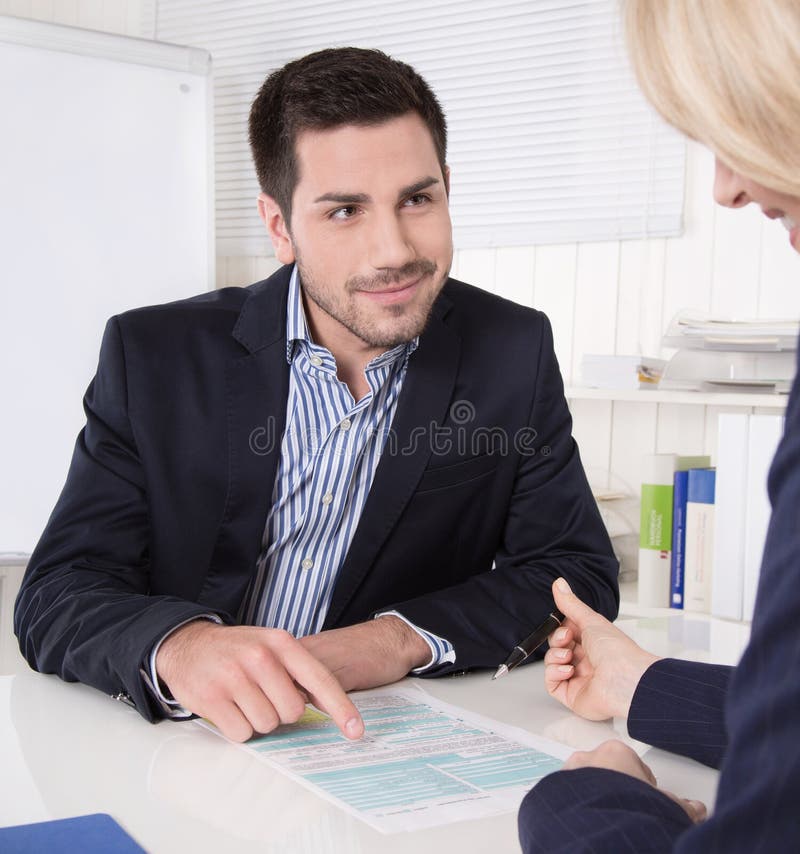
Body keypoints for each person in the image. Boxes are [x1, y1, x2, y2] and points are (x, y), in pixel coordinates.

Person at [14, 47, 618, 744]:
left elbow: (575, 574)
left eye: (417, 199)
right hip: (180, 746)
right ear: (280, 227)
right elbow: (57, 594)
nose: (392, 250)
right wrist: (182, 648)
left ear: (448, 187)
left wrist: (392, 641)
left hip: (379, 738)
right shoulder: (154, 355)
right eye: (344, 212)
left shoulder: (513, 349)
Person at [518, 1, 800, 851]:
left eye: (740, 120)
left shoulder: (509, 346)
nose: (726, 186)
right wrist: (643, 685)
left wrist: (591, 803)